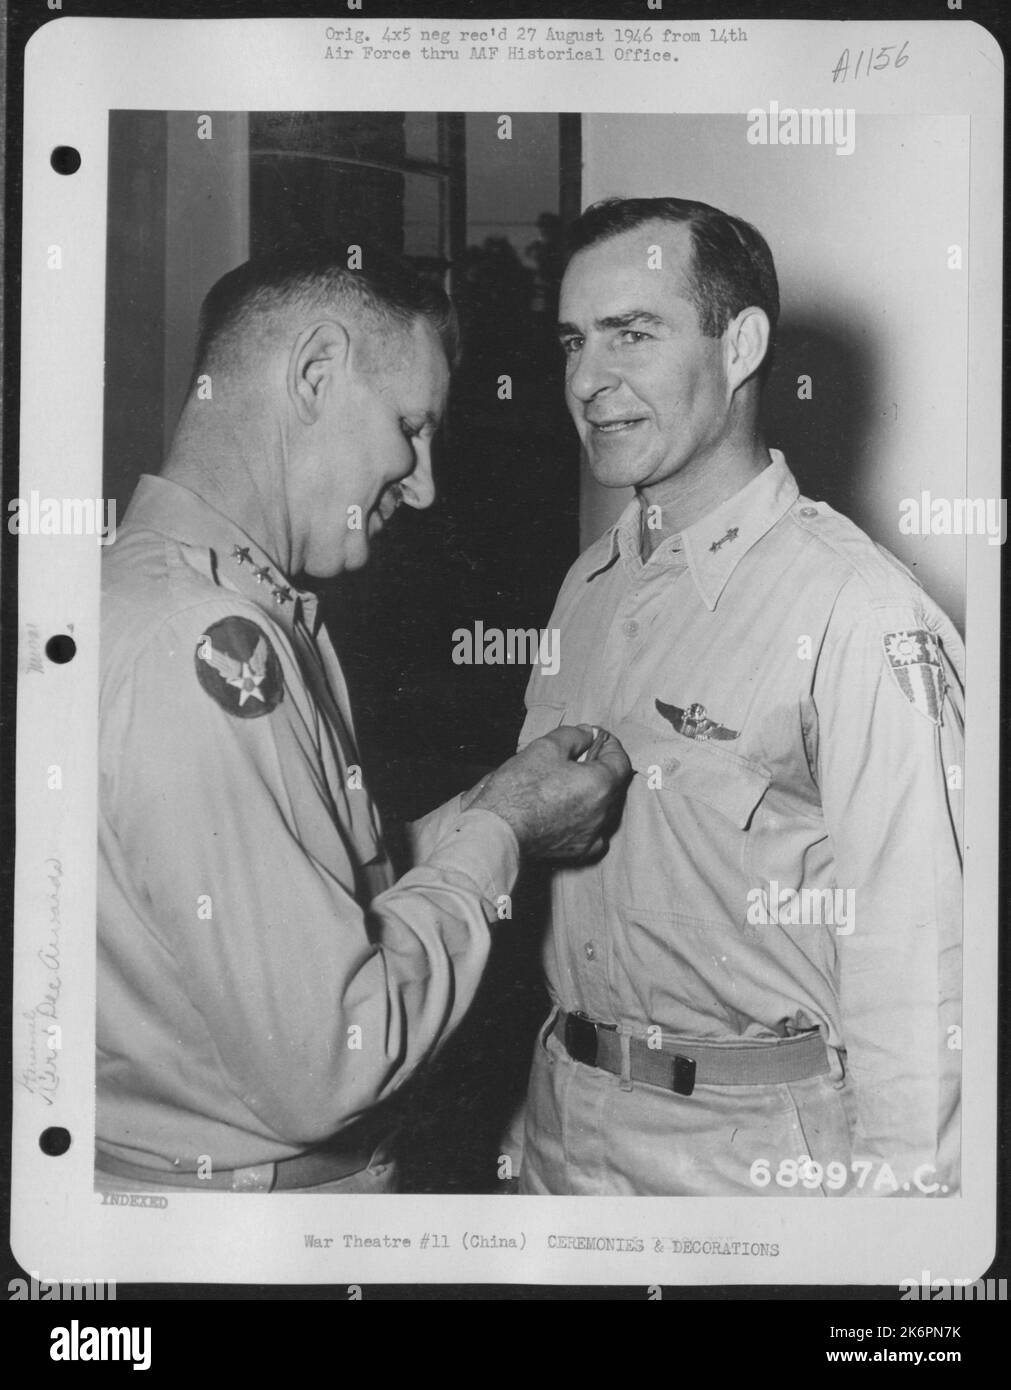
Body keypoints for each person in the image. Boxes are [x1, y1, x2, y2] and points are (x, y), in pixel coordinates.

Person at [97, 241, 630, 1194]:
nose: (421, 483)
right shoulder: (209, 644)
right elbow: (333, 1056)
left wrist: (486, 809)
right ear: (313, 372)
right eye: (410, 427)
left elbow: (303, 897)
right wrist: (502, 835)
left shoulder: (157, 595)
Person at [515, 197, 963, 1197]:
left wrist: (903, 1242)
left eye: (633, 333)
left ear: (741, 344)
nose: (589, 380)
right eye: (574, 341)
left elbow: (920, 975)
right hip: (560, 1125)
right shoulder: (587, 586)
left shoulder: (858, 610)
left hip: (750, 1159)